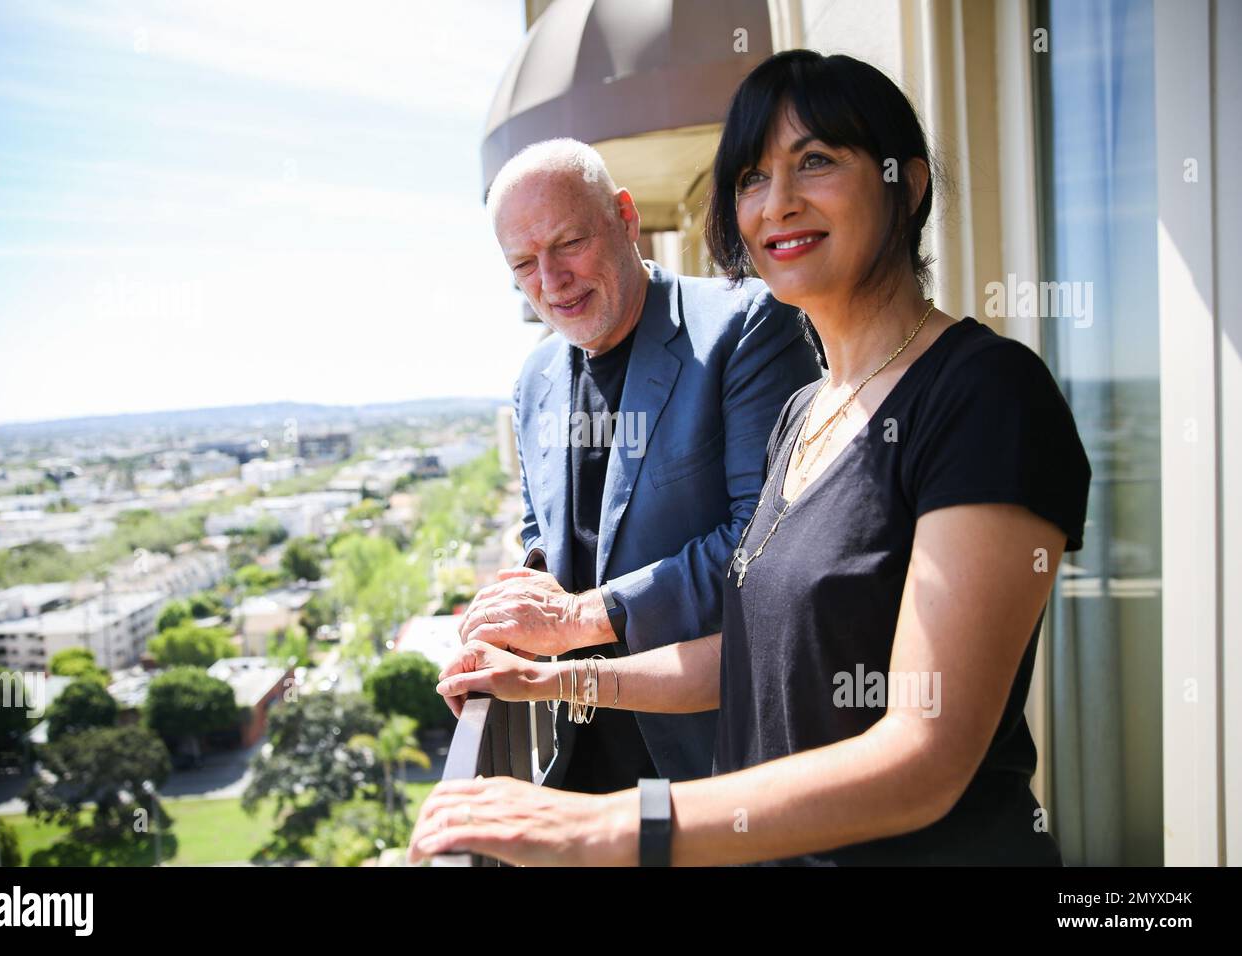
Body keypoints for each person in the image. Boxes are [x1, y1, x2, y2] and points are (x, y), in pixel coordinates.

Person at [409, 49, 1091, 866]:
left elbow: (926, 757)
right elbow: (754, 658)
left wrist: (601, 828)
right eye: (750, 178)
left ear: (904, 186)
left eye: (815, 162)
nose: (779, 203)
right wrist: (556, 679)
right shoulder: (806, 412)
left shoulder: (989, 395)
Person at [460, 139, 818, 792]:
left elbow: (764, 547)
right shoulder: (535, 376)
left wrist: (575, 619)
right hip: (583, 759)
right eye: (523, 264)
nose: (551, 280)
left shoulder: (747, 326)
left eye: (568, 243)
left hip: (722, 765)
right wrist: (524, 597)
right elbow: (543, 530)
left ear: (625, 218)